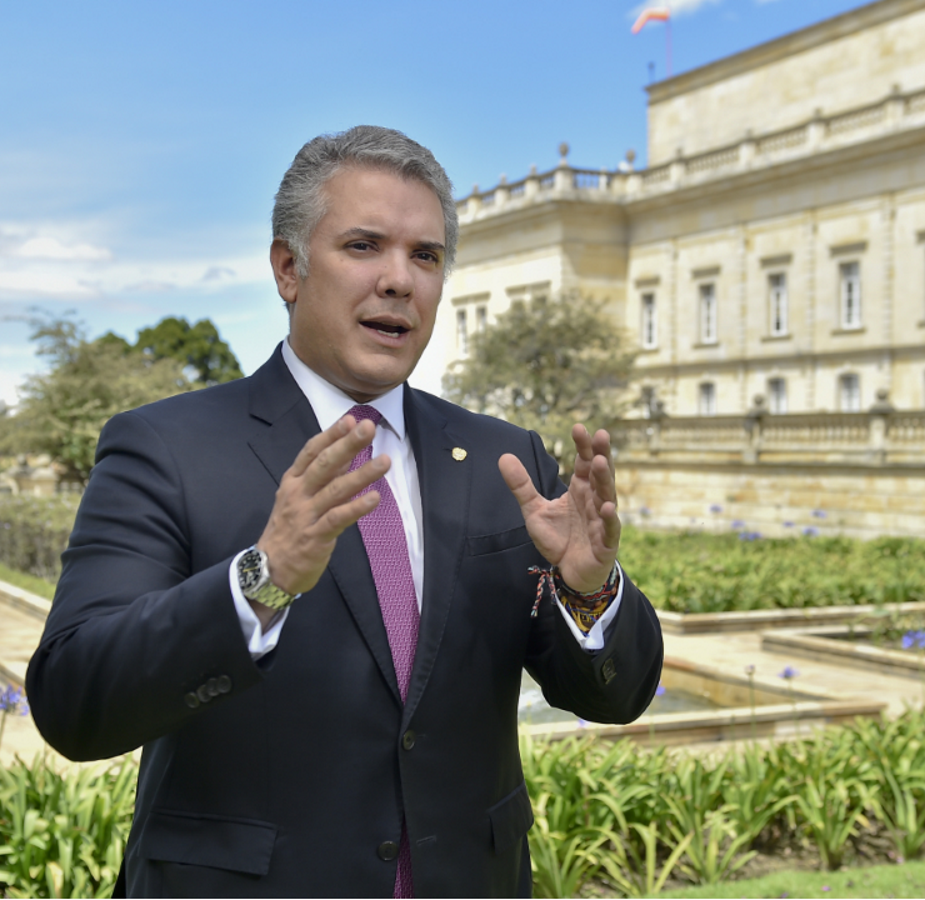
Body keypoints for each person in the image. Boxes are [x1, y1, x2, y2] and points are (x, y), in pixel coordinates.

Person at [26, 126, 663, 898]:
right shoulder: (165, 448)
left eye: (425, 256)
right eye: (364, 246)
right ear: (288, 269)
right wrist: (261, 582)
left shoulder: (505, 460)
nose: (400, 280)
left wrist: (589, 591)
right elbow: (73, 702)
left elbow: (613, 695)